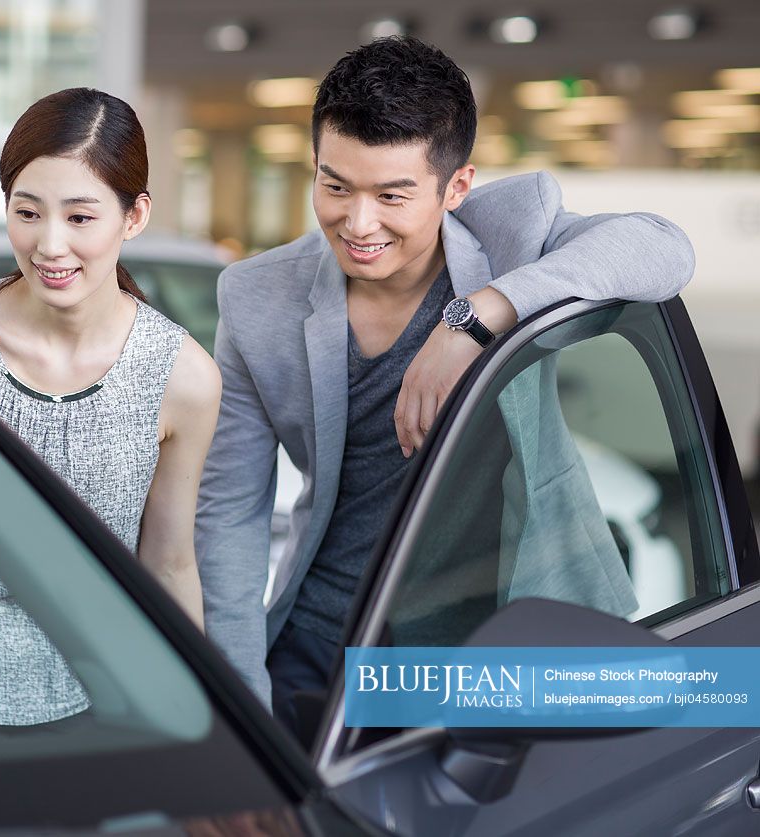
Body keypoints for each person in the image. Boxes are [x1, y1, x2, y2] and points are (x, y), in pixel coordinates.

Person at [194, 36, 696, 731]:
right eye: (334, 186)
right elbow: (229, 512)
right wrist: (238, 695)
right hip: (329, 634)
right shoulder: (257, 297)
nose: (357, 223)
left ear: (455, 187)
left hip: (499, 645)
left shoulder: (513, 237)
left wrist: (475, 317)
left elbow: (665, 248)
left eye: (391, 195)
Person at [0, 87, 220, 728]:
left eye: (80, 218)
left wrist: (200, 722)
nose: (50, 245)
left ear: (134, 216)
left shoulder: (183, 376)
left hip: (96, 699)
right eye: (28, 212)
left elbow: (170, 563)